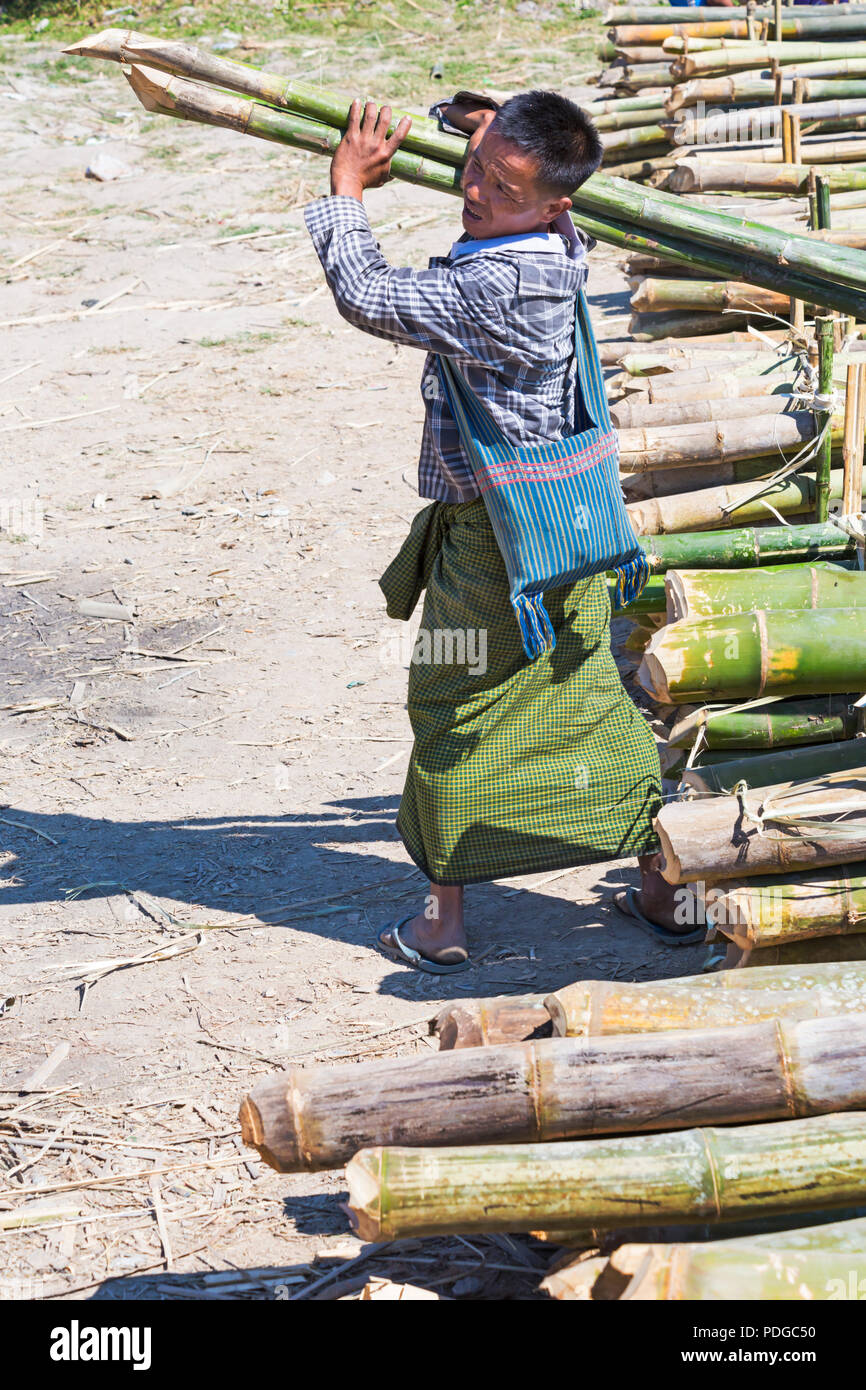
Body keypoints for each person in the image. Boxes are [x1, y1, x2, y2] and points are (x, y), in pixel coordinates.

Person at [304, 91, 696, 972]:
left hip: (496, 539)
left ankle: (444, 924)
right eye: (477, 168)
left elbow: (366, 295)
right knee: (592, 690)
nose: (476, 190)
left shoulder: (497, 287)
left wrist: (346, 188)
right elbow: (518, 159)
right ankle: (663, 886)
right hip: (571, 523)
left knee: (449, 701)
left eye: (502, 185)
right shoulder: (559, 245)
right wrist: (487, 127)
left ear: (552, 203)